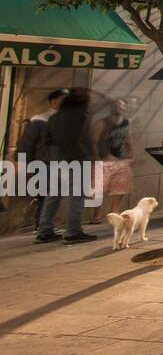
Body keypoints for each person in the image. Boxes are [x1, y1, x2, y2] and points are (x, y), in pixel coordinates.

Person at [35, 89, 96, 244]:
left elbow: (47, 140)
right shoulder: (82, 117)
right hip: (77, 159)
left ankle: (44, 230)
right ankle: (73, 231)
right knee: (76, 196)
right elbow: (88, 140)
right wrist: (93, 158)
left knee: (53, 195)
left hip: (56, 159)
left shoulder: (54, 117)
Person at [18, 88, 67, 233]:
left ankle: (46, 225)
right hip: (42, 162)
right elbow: (27, 143)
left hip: (59, 162)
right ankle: (41, 225)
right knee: (44, 193)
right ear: (54, 101)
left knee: (54, 194)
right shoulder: (39, 120)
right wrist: (24, 163)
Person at [89, 100, 135, 224]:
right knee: (98, 189)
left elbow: (128, 138)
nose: (121, 108)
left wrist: (131, 154)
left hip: (120, 159)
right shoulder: (103, 122)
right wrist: (97, 158)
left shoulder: (125, 122)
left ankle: (114, 212)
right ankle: (96, 215)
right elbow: (94, 141)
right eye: (118, 105)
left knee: (119, 187)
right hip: (104, 160)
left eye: (123, 105)